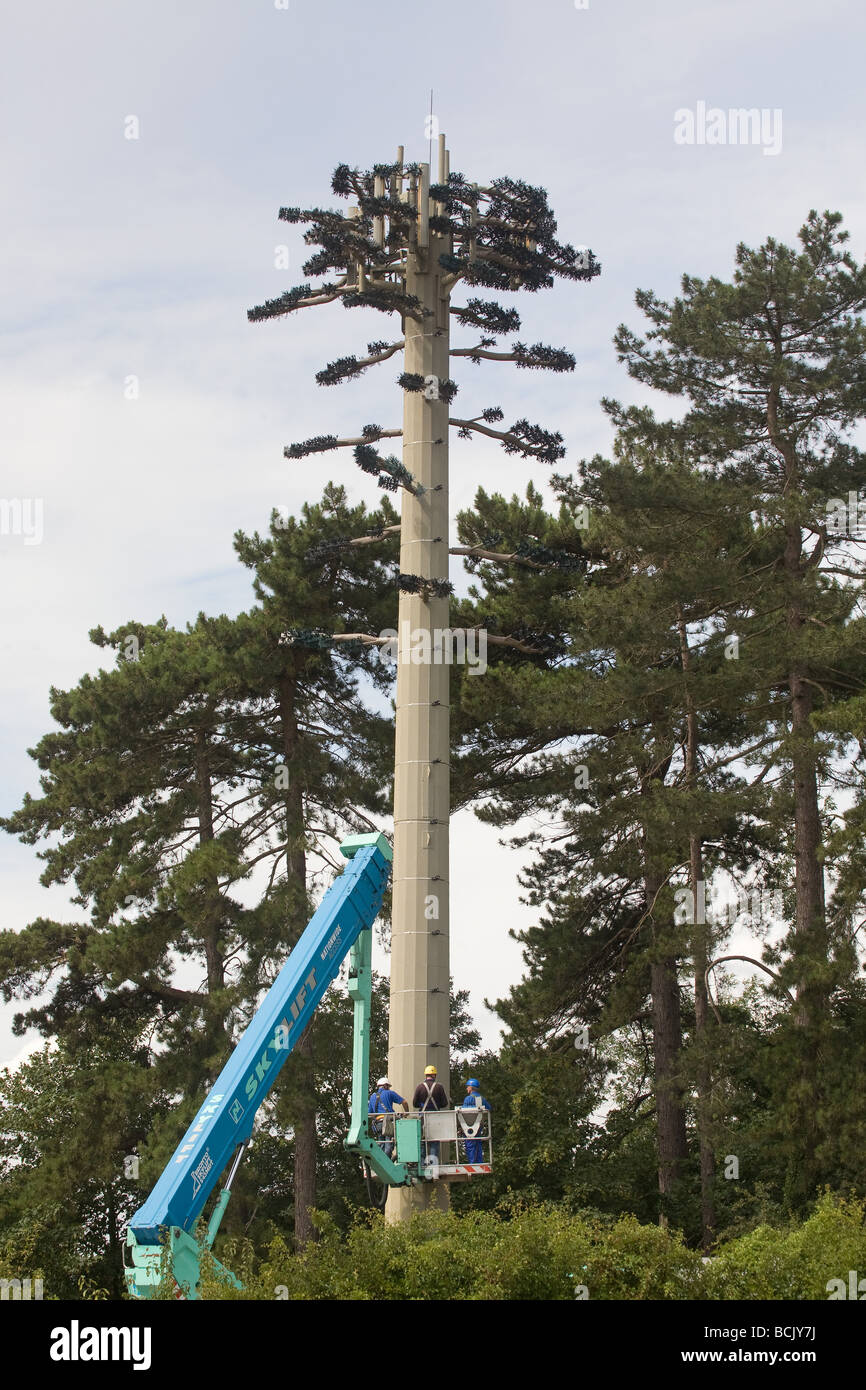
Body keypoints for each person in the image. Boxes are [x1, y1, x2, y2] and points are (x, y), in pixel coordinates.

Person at [412, 1064, 449, 1166]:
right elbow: (445, 1103)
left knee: (422, 1139)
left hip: (423, 1116)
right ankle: (433, 1164)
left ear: (426, 1075)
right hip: (435, 1117)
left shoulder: (420, 1087)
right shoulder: (439, 1087)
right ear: (434, 1075)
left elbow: (414, 1103)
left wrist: (422, 1104)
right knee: (434, 1140)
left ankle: (422, 1163)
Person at [367, 1077, 408, 1158]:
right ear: (385, 1086)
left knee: (381, 1145)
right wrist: (406, 1113)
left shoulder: (372, 1096)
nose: (389, 1088)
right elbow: (404, 1102)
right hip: (388, 1122)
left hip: (378, 1124)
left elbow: (370, 1113)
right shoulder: (389, 1093)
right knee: (388, 1144)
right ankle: (387, 1163)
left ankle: (382, 1162)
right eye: (388, 1086)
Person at [459, 1078, 491, 1164]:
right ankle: (479, 1161)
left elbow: (464, 1113)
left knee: (470, 1143)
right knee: (478, 1142)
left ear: (471, 1087)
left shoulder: (468, 1099)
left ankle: (472, 1163)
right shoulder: (482, 1099)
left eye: (467, 1087)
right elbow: (489, 1108)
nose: (466, 1089)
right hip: (479, 1125)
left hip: (469, 1125)